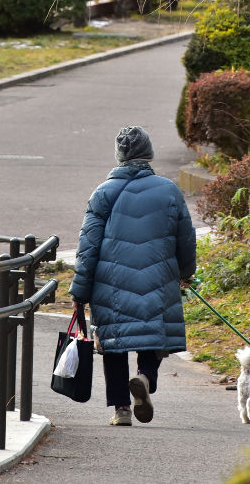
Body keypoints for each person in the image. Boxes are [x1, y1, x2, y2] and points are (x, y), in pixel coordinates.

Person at [69, 125, 197, 426]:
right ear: (148, 155)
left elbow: (88, 246)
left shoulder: (102, 193)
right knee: (153, 332)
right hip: (158, 278)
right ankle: (144, 377)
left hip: (110, 282)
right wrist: (185, 272)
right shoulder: (168, 190)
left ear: (119, 157)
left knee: (114, 343)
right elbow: (186, 238)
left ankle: (121, 410)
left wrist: (80, 290)